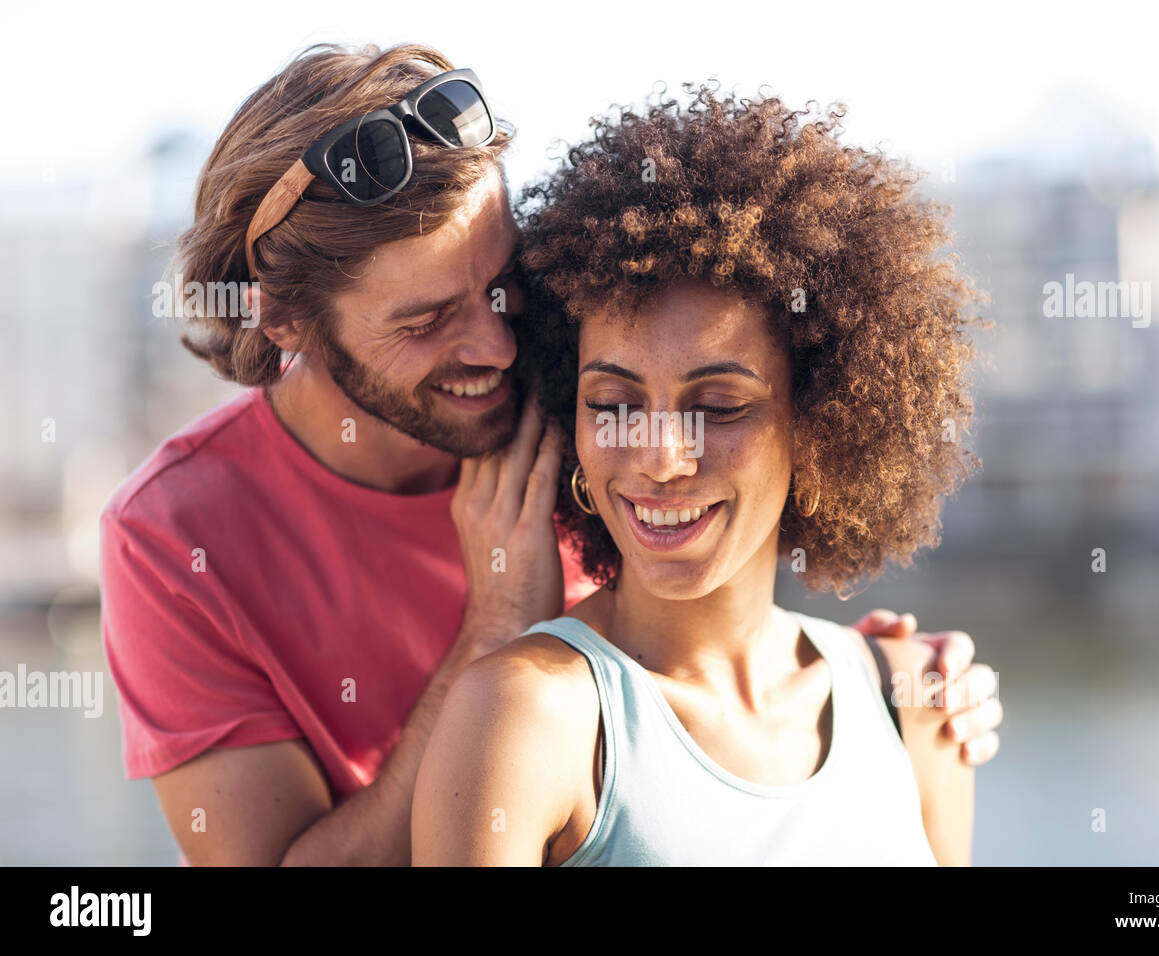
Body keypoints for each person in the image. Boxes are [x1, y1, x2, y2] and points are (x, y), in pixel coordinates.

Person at [99, 43, 1001, 866]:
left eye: (503, 284)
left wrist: (877, 687)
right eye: (427, 321)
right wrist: (496, 630)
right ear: (285, 321)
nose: (498, 347)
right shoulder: (172, 537)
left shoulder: (579, 396)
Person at [412, 83, 989, 865]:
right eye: (613, 403)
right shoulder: (526, 716)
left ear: (819, 422)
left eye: (718, 407)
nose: (660, 457)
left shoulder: (918, 699)